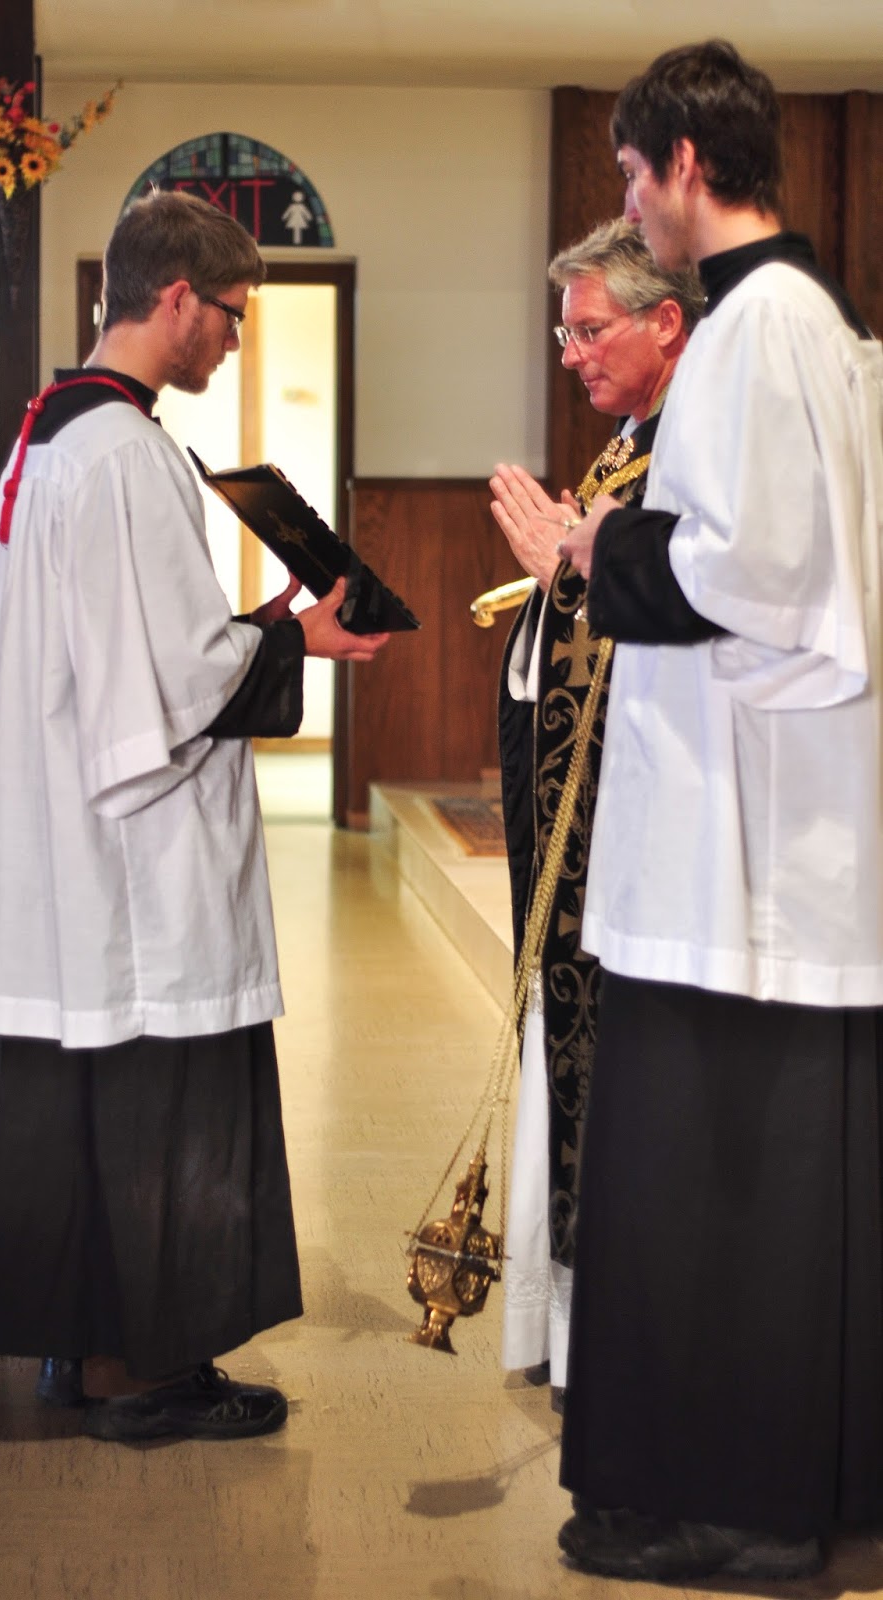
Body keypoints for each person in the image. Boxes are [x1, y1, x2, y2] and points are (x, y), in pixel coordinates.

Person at [0, 191, 389, 1445]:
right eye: (228, 317)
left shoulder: (54, 432)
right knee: (153, 1100)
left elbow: (135, 651)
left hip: (60, 843)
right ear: (174, 296)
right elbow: (168, 685)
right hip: (126, 858)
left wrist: (268, 628)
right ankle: (144, 1373)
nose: (232, 342)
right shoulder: (126, 451)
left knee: (81, 1105)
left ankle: (85, 1351)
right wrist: (298, 634)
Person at [553, 40, 883, 1582]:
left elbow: (756, 578)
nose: (630, 200)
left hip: (740, 864)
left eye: (631, 173)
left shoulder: (761, 327)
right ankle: (767, 1483)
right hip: (762, 844)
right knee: (759, 1190)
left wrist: (597, 551)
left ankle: (741, 1512)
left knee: (728, 1196)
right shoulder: (803, 320)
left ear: (687, 164)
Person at [490, 220, 701, 1412]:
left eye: (588, 331)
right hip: (584, 830)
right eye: (562, 334)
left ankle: (619, 1331)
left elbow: (676, 617)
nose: (569, 354)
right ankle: (575, 1323)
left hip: (646, 836)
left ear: (664, 322)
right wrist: (558, 575)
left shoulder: (692, 454)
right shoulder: (627, 450)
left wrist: (574, 566)